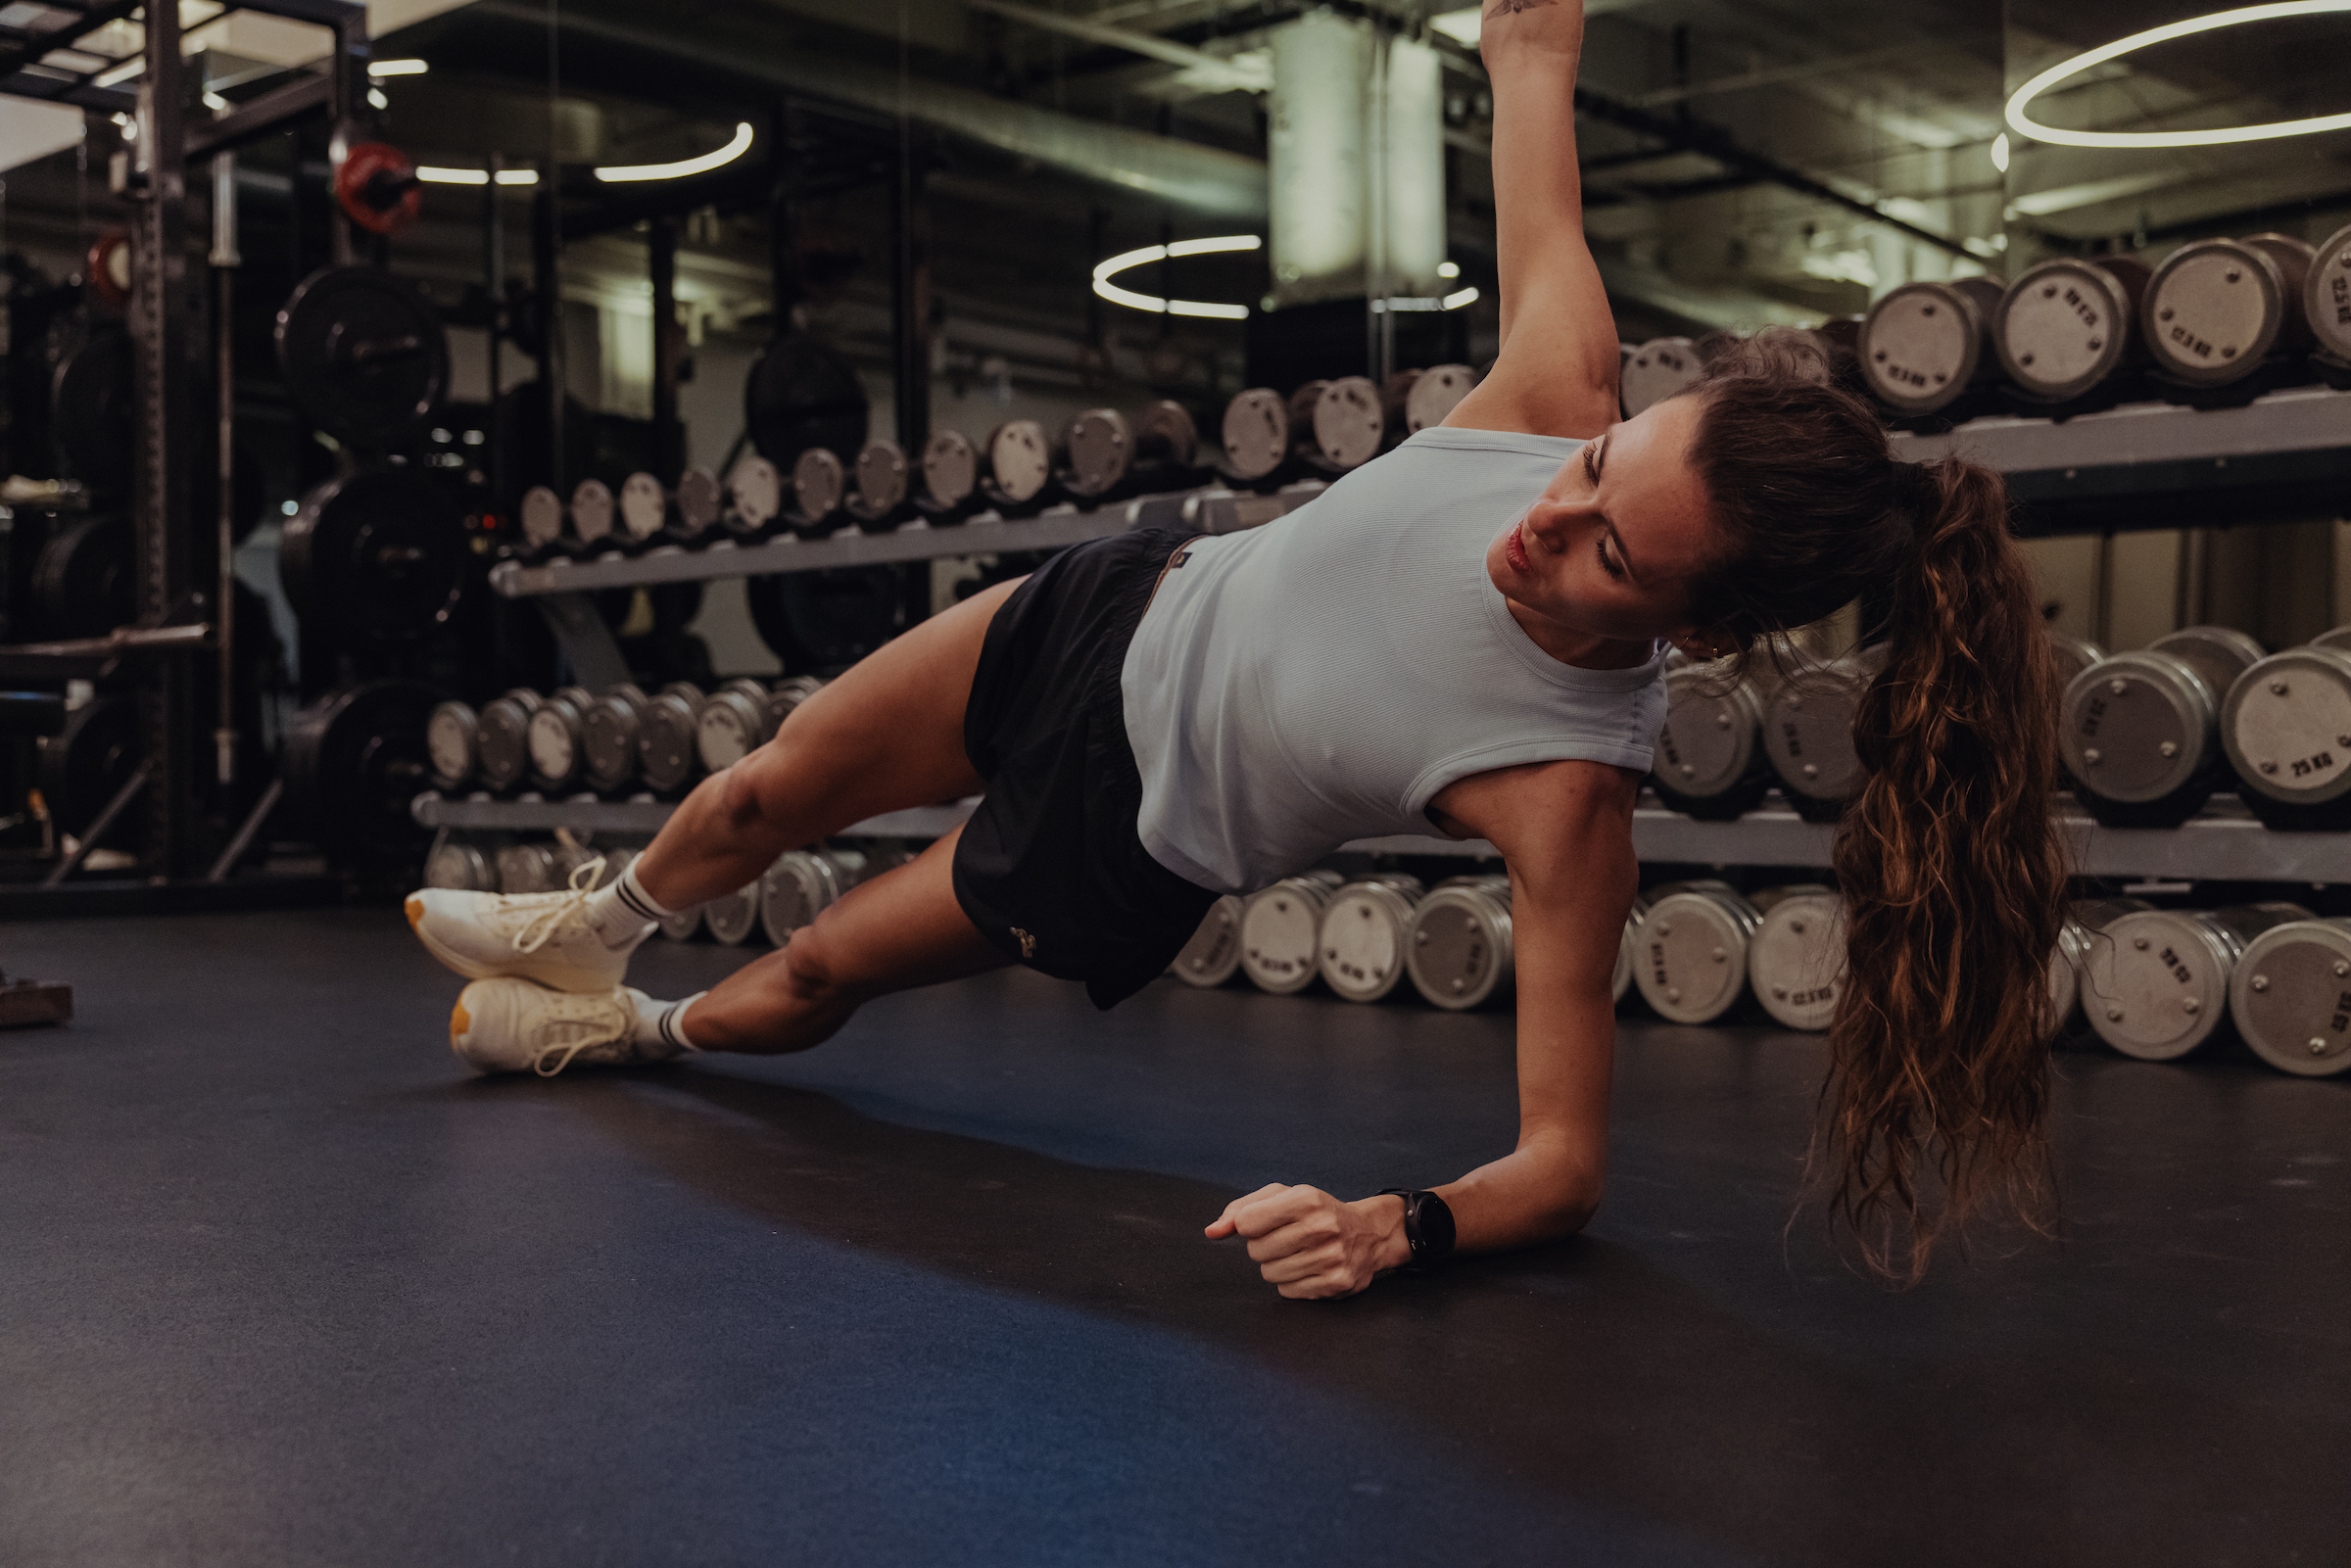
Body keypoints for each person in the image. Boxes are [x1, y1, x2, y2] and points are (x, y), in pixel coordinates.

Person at [406, 0, 2067, 1296]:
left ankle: (628, 1030)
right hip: (1114, 604)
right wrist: (1529, 42)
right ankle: (597, 925)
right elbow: (1534, 53)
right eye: (1588, 472)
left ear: (1693, 627)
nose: (1541, 522)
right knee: (767, 786)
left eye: (1608, 550)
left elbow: (1562, 1163)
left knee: (825, 964)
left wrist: (1395, 1226)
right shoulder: (1562, 375)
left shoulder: (1568, 797)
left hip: (1122, 836)